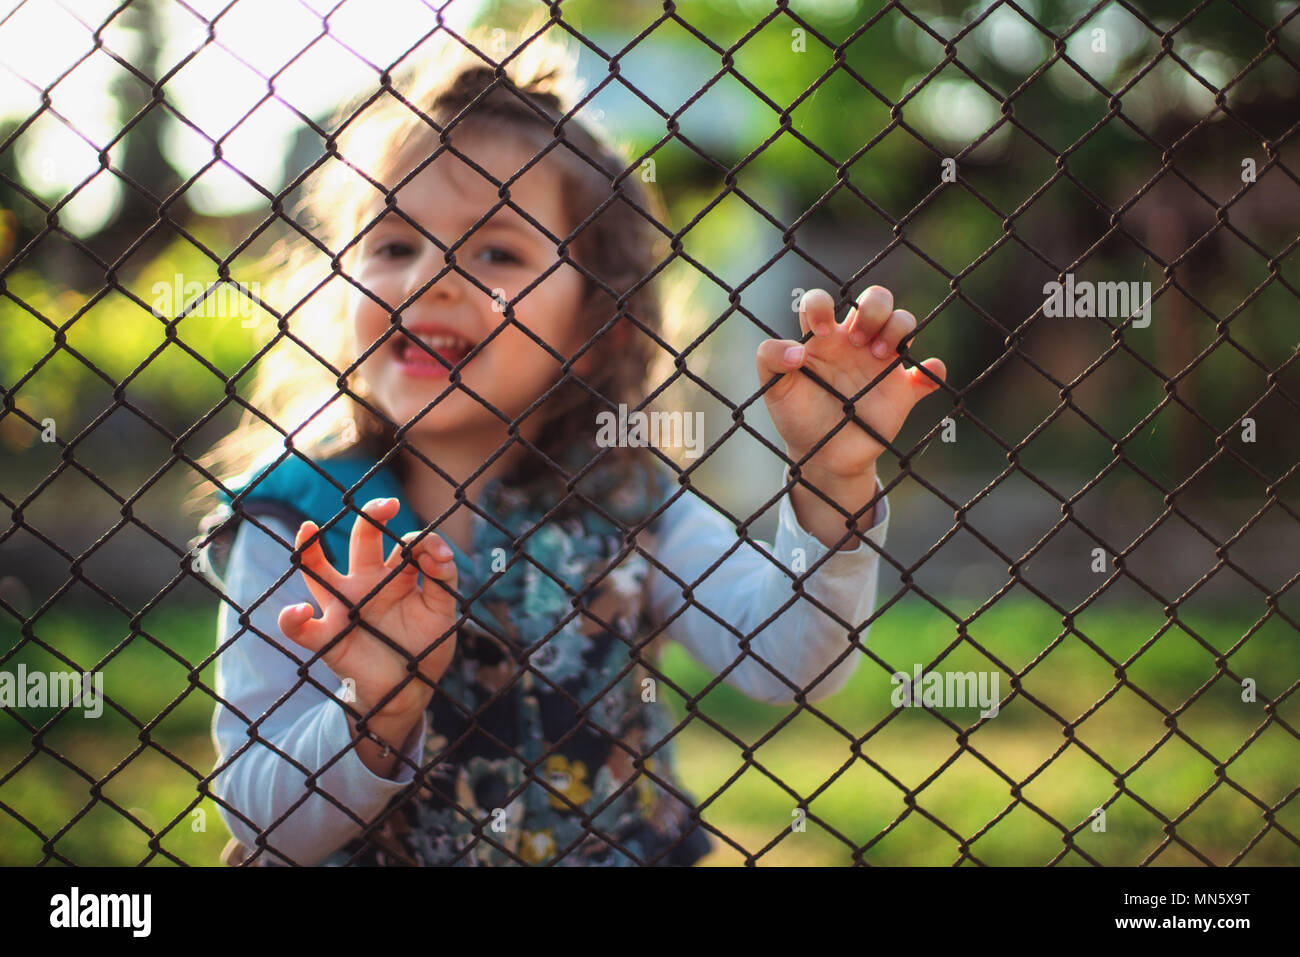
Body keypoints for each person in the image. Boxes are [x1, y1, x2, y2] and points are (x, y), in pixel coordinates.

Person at [193, 28, 946, 866]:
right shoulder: (291, 522)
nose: (429, 276)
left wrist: (833, 477)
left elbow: (790, 660)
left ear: (593, 325)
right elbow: (261, 824)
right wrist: (378, 710)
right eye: (394, 244)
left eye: (497, 250)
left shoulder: (628, 499)